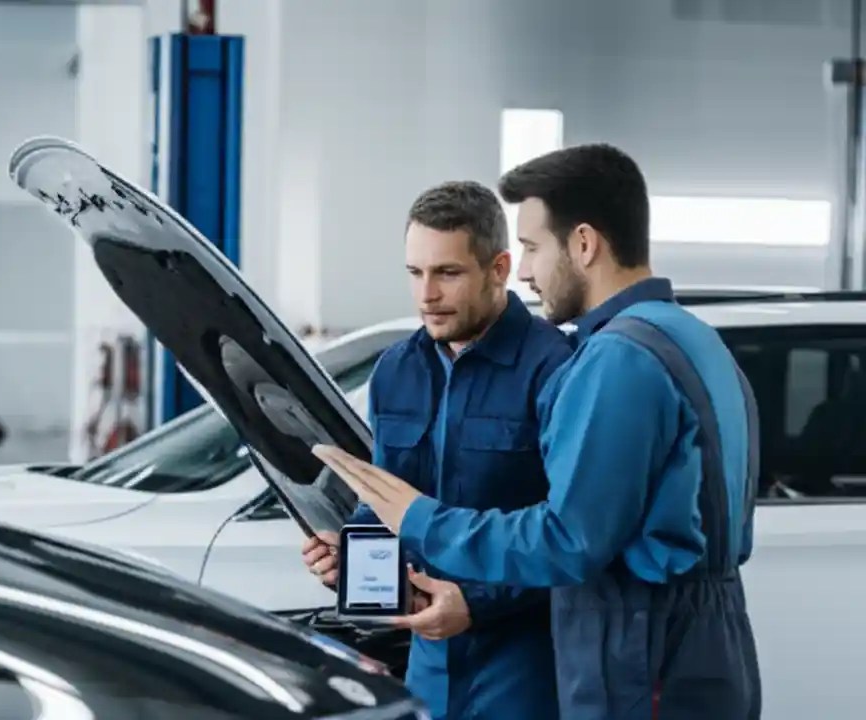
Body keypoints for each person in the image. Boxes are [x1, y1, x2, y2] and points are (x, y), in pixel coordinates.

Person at [313, 144, 762, 720]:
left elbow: (570, 538)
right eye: (415, 272)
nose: (526, 270)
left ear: (583, 244)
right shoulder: (690, 338)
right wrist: (362, 562)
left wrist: (421, 519)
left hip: (633, 647)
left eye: (531, 247)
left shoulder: (612, 359)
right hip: (685, 643)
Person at [301, 182, 570, 719]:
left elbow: (575, 532)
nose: (426, 294)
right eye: (415, 272)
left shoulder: (555, 367)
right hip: (427, 660)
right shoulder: (396, 370)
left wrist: (475, 604)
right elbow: (384, 500)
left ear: (498, 269)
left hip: (524, 663)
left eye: (447, 273)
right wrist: (351, 561)